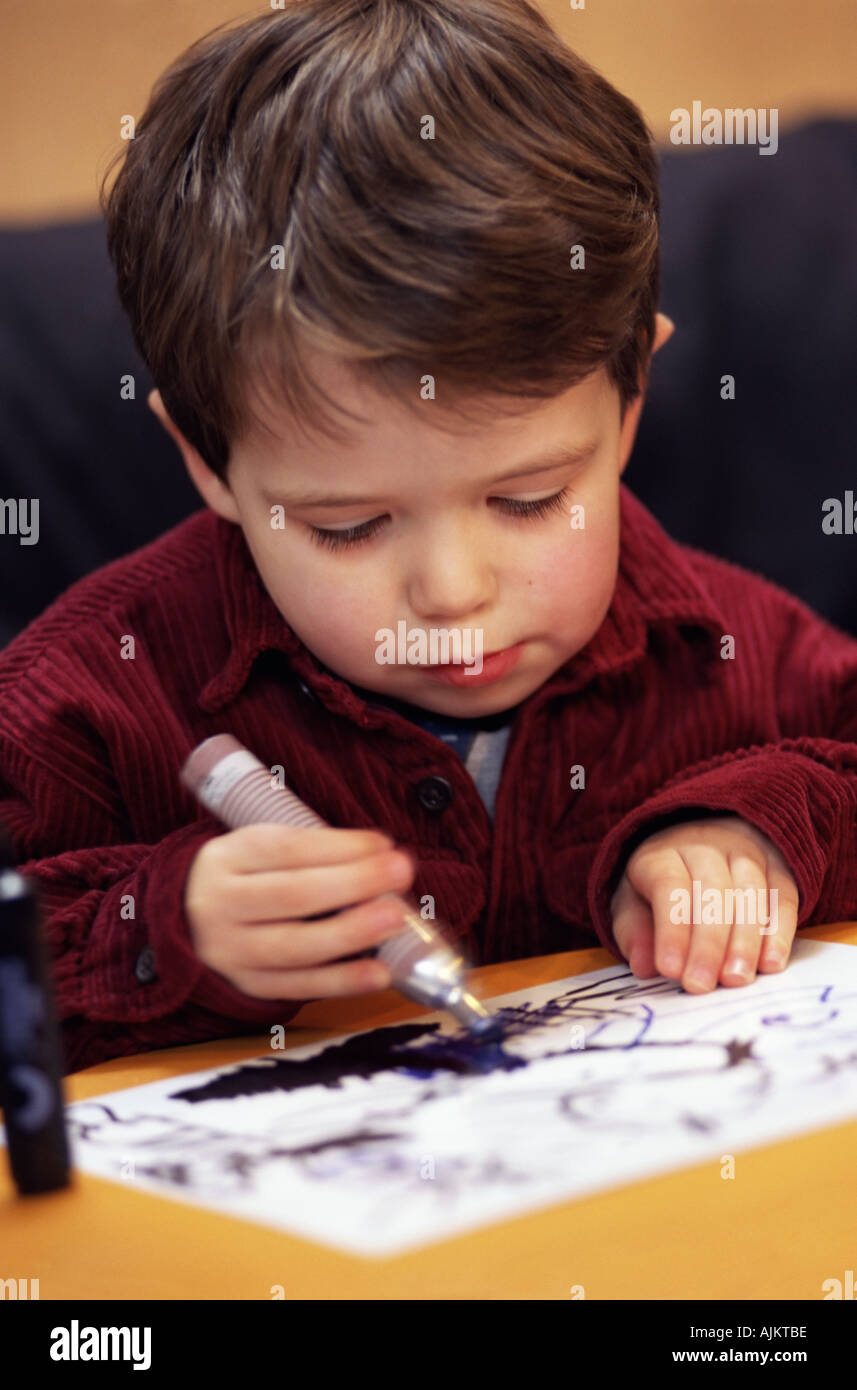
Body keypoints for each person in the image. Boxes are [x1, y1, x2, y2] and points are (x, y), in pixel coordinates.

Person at [1, 0, 855, 1075]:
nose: (452, 593)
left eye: (530, 500)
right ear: (206, 458)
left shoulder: (725, 646)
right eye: (344, 525)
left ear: (631, 399)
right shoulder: (83, 702)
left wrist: (763, 827)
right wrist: (156, 930)